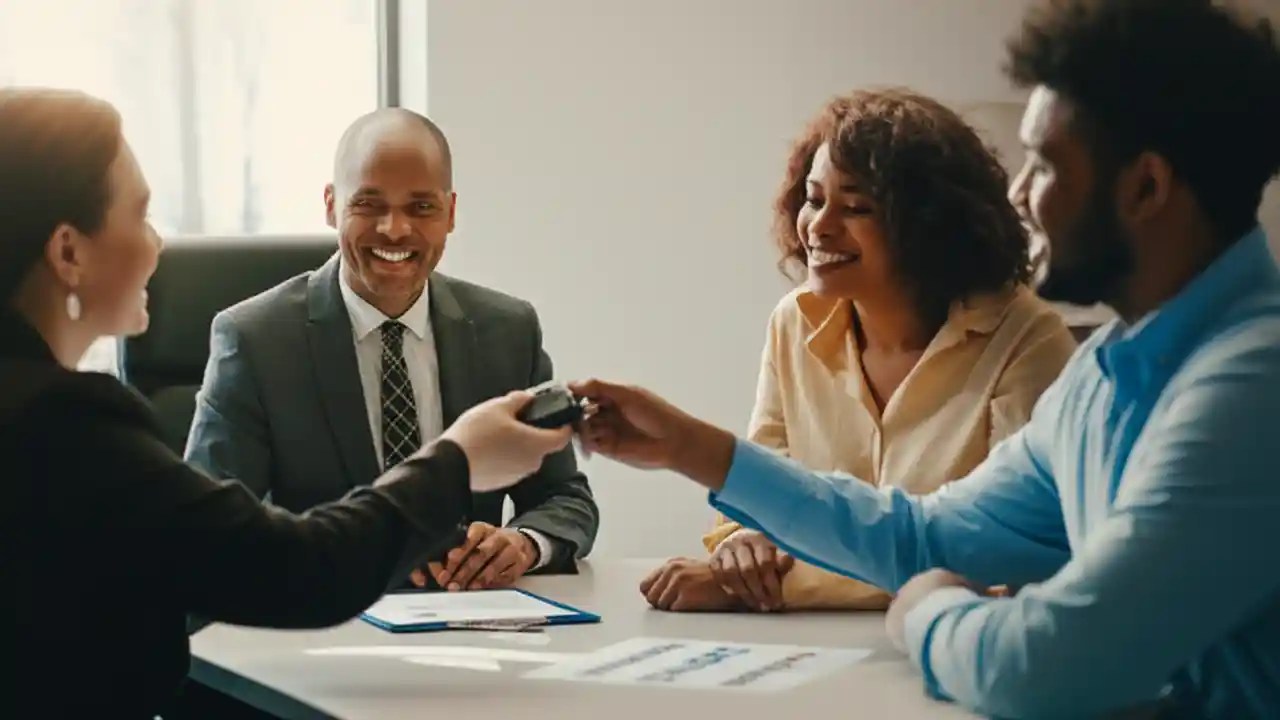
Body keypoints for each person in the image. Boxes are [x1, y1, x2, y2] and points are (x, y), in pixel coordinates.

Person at [572, 0, 1280, 716]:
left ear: (1145, 188)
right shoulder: (1104, 376)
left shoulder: (1252, 391)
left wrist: (925, 610)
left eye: (1044, 164)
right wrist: (691, 448)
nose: (1018, 194)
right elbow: (924, 532)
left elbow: (1044, 665)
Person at [0, 88, 572, 718]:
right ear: (67, 252)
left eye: (421, 207)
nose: (158, 244)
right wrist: (459, 459)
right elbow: (287, 567)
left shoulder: (38, 411)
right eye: (139, 215)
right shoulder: (65, 426)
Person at [641, 89, 1076, 614]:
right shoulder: (793, 321)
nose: (819, 226)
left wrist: (770, 585)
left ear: (927, 224)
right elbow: (758, 489)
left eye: (855, 207)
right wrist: (739, 545)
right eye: (813, 198)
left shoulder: (1028, 340)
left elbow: (992, 554)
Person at [186, 108, 599, 592]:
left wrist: (523, 543)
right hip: (319, 624)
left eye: (421, 207)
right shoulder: (255, 339)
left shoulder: (506, 331)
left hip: (472, 624)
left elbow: (565, 496)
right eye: (369, 204)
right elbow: (205, 534)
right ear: (330, 204)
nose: (395, 229)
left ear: (450, 213)